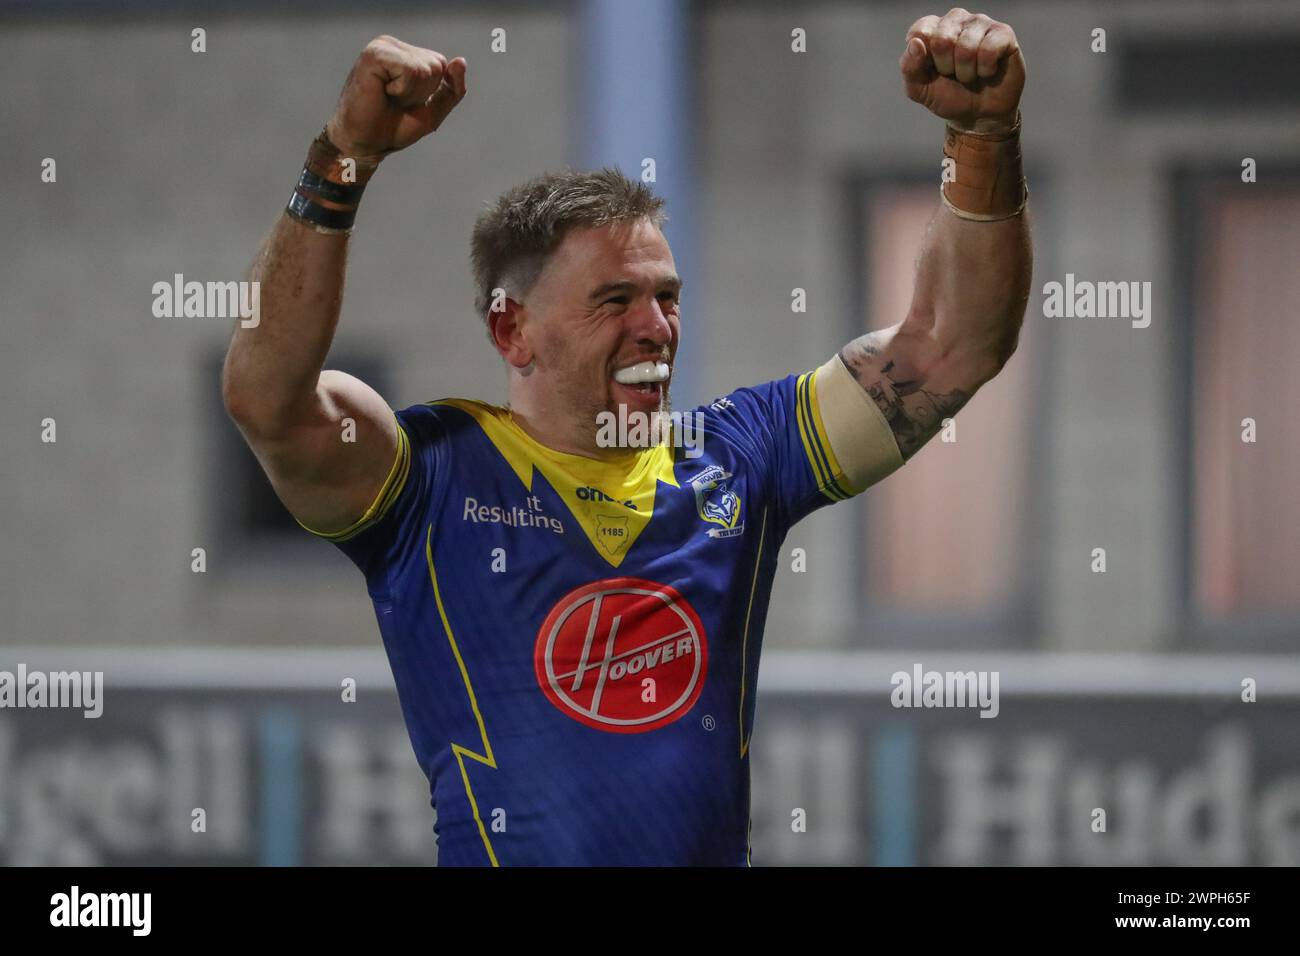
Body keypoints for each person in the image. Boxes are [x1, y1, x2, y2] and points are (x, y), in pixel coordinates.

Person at [222, 8, 1031, 865]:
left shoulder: (740, 456)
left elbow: (952, 346)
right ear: (512, 333)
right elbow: (266, 399)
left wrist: (982, 140)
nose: (657, 328)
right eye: (615, 301)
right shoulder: (429, 479)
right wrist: (343, 157)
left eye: (667, 296)